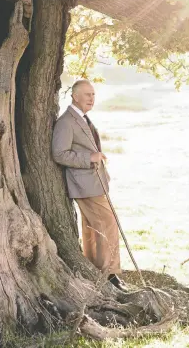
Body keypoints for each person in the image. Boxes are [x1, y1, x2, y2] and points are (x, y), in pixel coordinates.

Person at [51, 79, 128, 291]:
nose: (91, 99)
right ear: (75, 96)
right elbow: (59, 154)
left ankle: (96, 268)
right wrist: (89, 157)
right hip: (84, 184)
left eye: (93, 95)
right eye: (87, 95)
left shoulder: (83, 119)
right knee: (108, 223)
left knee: (93, 227)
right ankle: (110, 274)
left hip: (94, 182)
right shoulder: (67, 122)